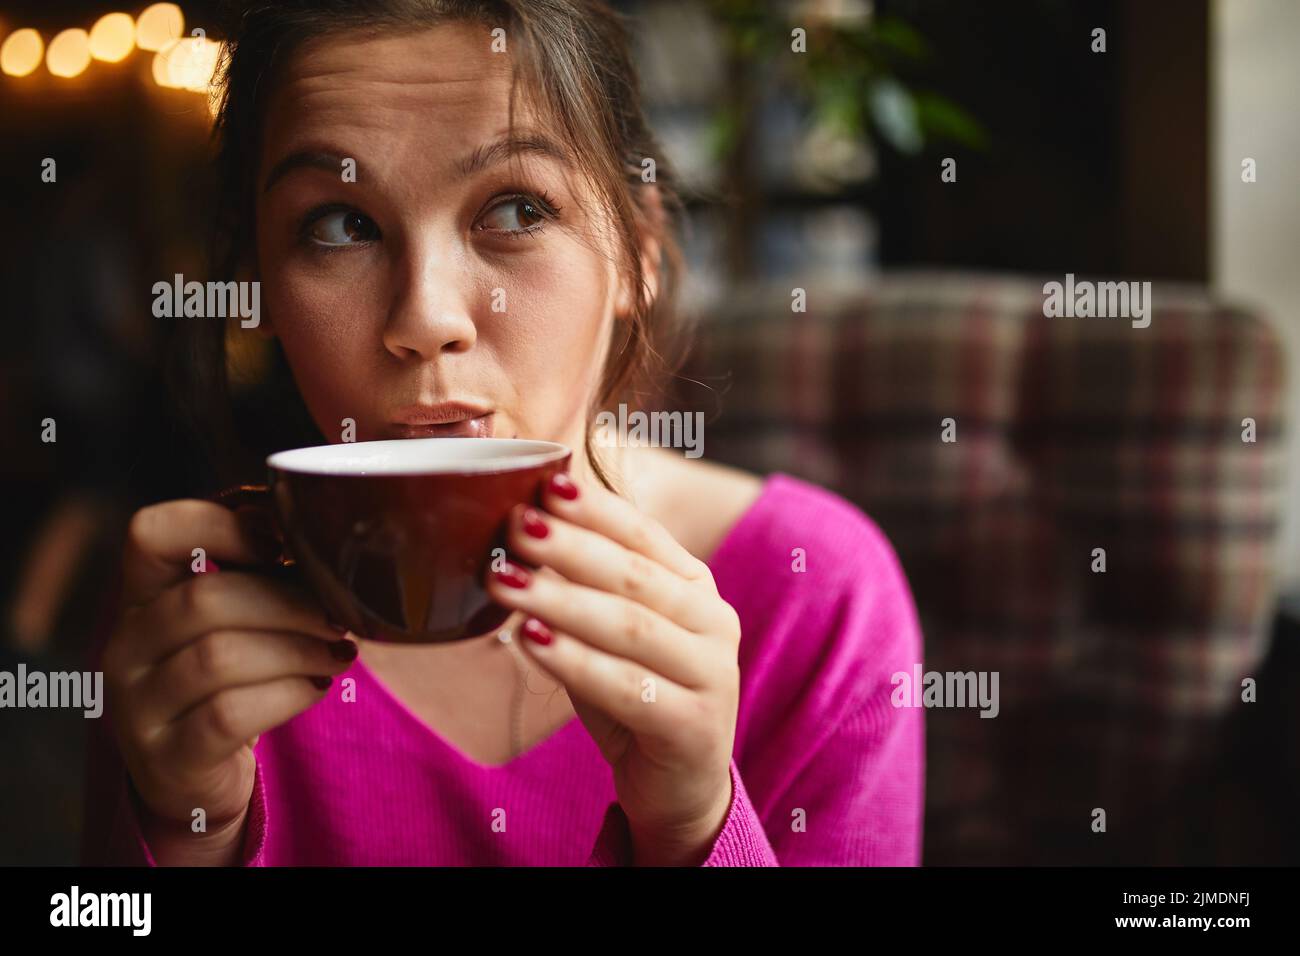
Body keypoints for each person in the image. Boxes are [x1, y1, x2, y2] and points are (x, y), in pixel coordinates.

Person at [82, 0, 924, 866]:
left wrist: (693, 828)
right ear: (257, 283)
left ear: (639, 249)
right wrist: (190, 832)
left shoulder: (815, 600)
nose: (426, 318)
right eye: (340, 225)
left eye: (517, 210)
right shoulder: (190, 631)